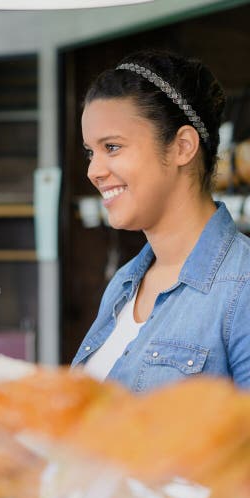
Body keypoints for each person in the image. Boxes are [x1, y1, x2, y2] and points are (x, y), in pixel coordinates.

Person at [71, 50, 250, 391]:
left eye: (112, 147)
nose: (93, 171)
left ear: (183, 147)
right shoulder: (123, 285)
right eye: (90, 152)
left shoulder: (243, 290)